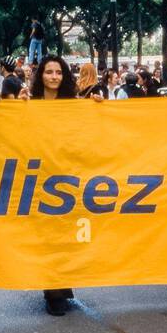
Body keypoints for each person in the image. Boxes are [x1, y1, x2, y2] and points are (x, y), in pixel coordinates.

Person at [26, 54, 97, 317]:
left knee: (66, 235)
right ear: (41, 76)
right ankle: (53, 290)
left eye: (58, 72)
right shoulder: (28, 104)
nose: (54, 77)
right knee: (48, 235)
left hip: (67, 177)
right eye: (49, 72)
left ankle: (63, 283)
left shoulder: (74, 105)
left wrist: (98, 110)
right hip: (39, 178)